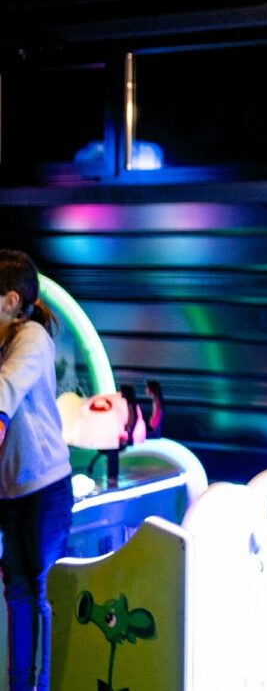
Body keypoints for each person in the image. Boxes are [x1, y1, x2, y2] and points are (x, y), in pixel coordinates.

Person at [0, 250, 73, 691]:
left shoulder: (31, 338)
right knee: (18, 596)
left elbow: (7, 386)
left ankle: (49, 684)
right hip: (10, 492)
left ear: (11, 300)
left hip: (44, 488)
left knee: (45, 595)